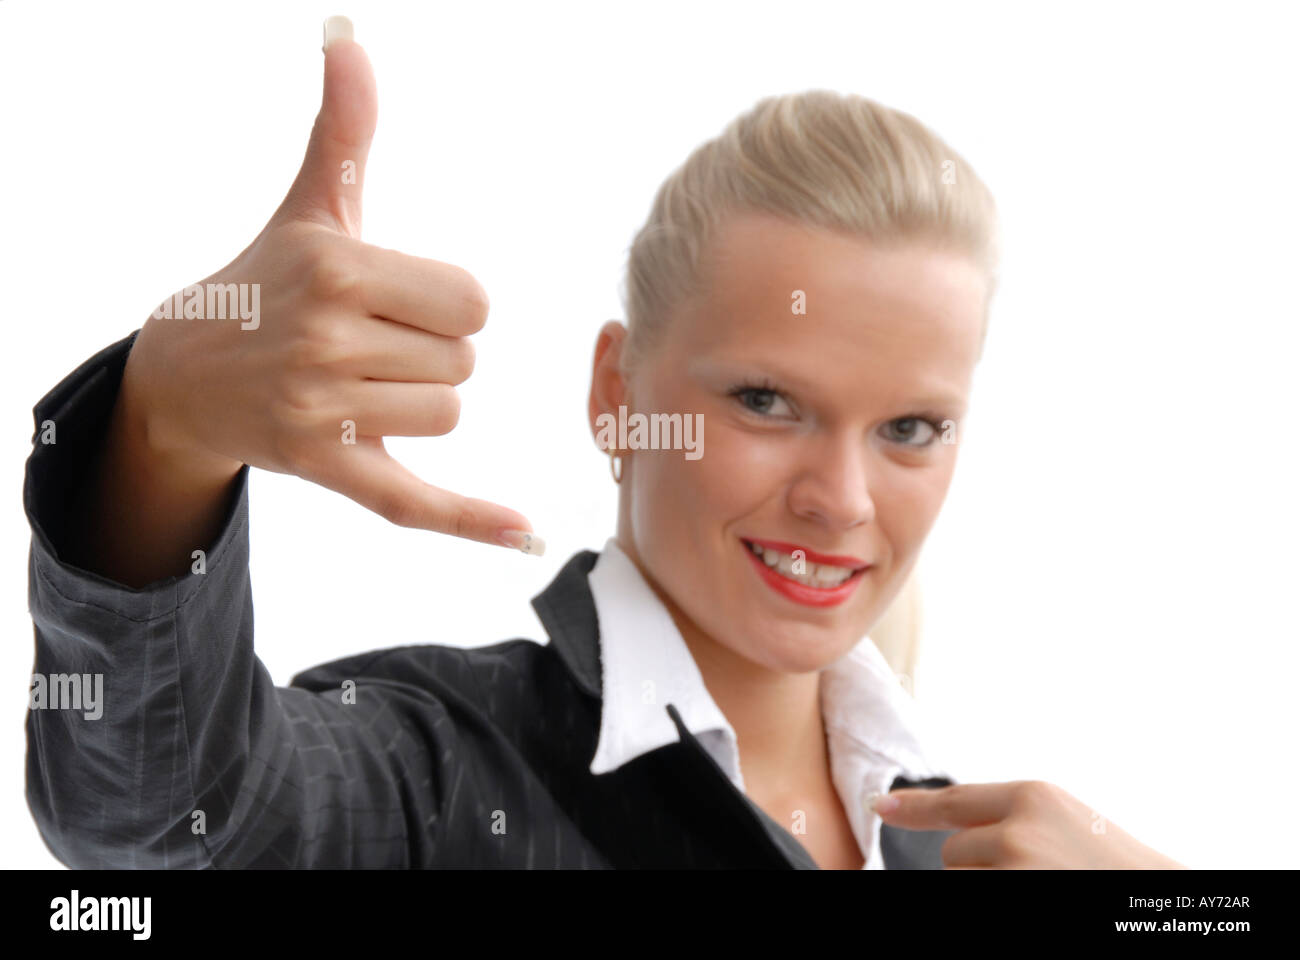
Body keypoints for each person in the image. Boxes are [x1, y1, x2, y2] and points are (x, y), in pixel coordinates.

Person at [23, 16, 1184, 869]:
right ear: (616, 393)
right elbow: (168, 818)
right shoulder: (451, 778)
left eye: (910, 429)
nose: (840, 498)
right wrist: (157, 429)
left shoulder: (969, 840)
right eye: (767, 403)